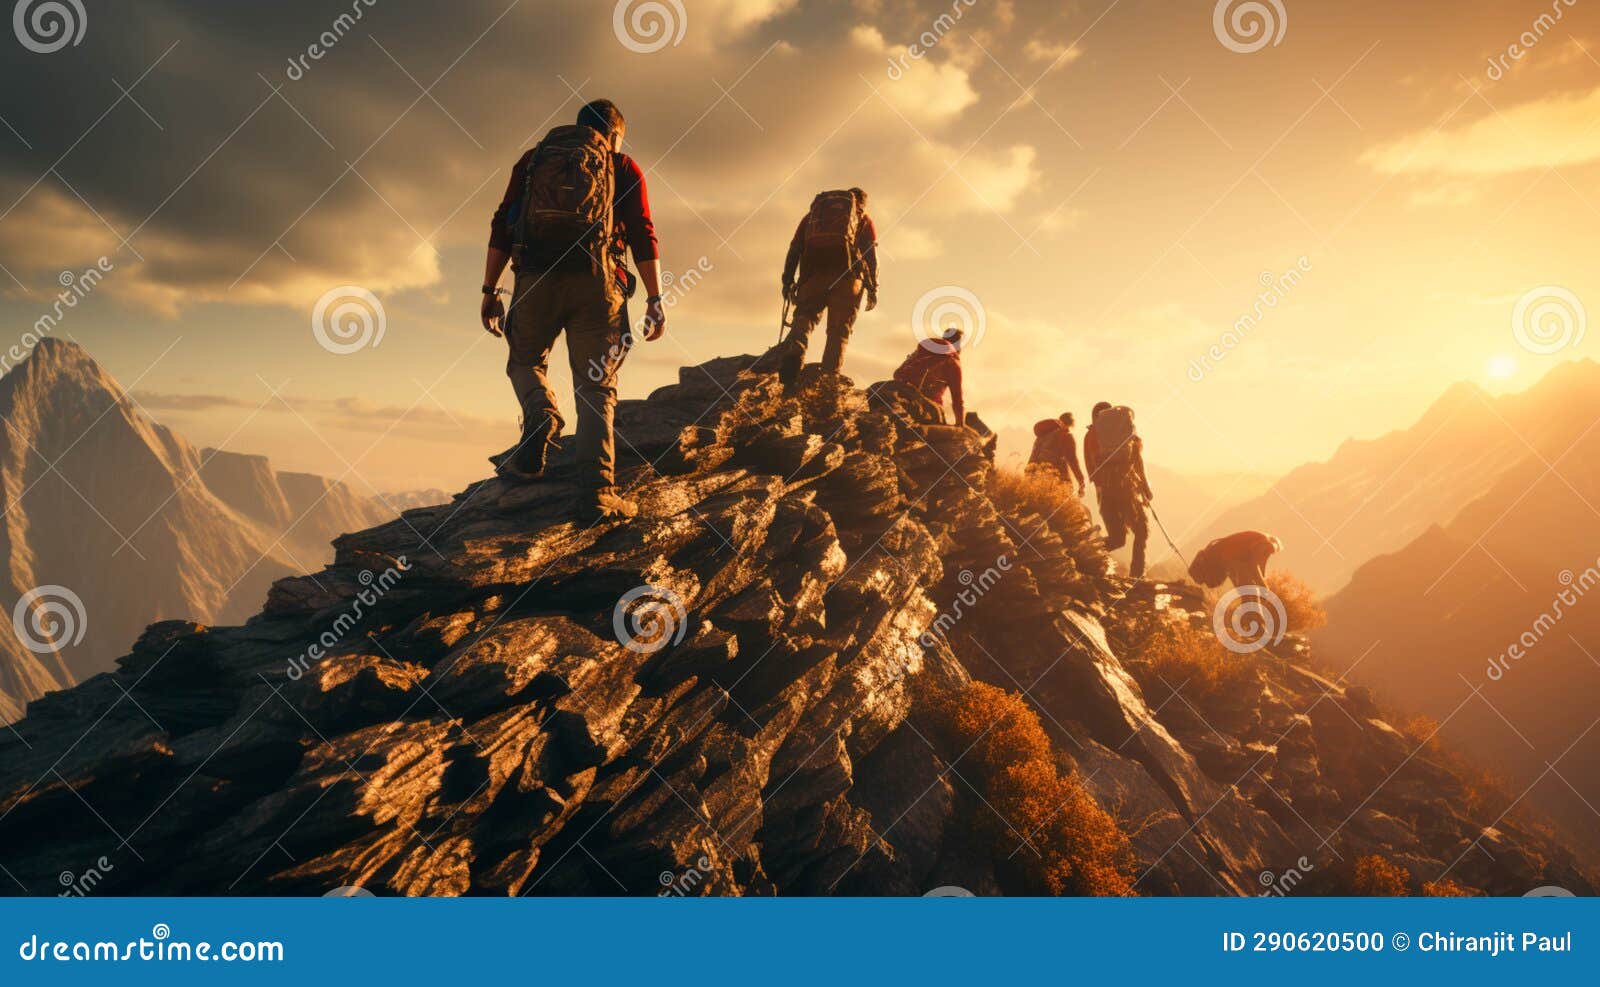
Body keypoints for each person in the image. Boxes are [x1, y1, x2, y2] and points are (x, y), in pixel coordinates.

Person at [480, 99, 665, 521]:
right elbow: (642, 231)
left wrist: (490, 289)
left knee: (525, 361)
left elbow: (502, 225)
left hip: (534, 279)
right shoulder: (622, 166)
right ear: (614, 134)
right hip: (598, 284)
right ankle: (598, 495)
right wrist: (654, 299)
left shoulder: (533, 160)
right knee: (596, 387)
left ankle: (541, 413)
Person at [777, 187, 879, 388]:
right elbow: (870, 255)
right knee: (838, 332)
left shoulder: (812, 219)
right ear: (862, 204)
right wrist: (873, 287)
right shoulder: (864, 219)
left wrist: (787, 281)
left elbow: (794, 249)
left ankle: (795, 351)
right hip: (848, 280)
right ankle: (828, 382)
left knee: (805, 318)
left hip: (812, 277)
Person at [1084, 402, 1153, 578]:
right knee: (1141, 531)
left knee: (1116, 539)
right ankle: (1137, 576)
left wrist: (1104, 485)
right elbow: (1138, 460)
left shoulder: (1090, 436)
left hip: (1105, 494)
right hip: (1126, 490)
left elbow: (1091, 471)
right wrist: (1145, 487)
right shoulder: (1125, 433)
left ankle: (1084, 556)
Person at [892, 327, 966, 426]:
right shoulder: (952, 362)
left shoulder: (922, 352)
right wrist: (960, 424)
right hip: (929, 409)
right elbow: (957, 399)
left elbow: (897, 374)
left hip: (900, 394)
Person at [1189, 531, 1282, 591]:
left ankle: (1249, 612)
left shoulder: (1262, 542)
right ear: (1271, 544)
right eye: (1271, 550)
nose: (1269, 553)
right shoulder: (1264, 543)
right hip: (1228, 557)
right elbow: (1254, 565)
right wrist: (1264, 586)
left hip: (1225, 556)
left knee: (1245, 586)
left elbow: (1261, 565)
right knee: (1247, 586)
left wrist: (1263, 582)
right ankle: (1251, 614)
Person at [1028, 412, 1086, 495]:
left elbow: (1033, 457)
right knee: (1065, 505)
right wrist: (1081, 481)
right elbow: (1073, 461)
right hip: (1058, 480)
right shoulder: (1066, 436)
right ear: (1071, 424)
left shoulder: (1041, 437)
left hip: (1038, 479)